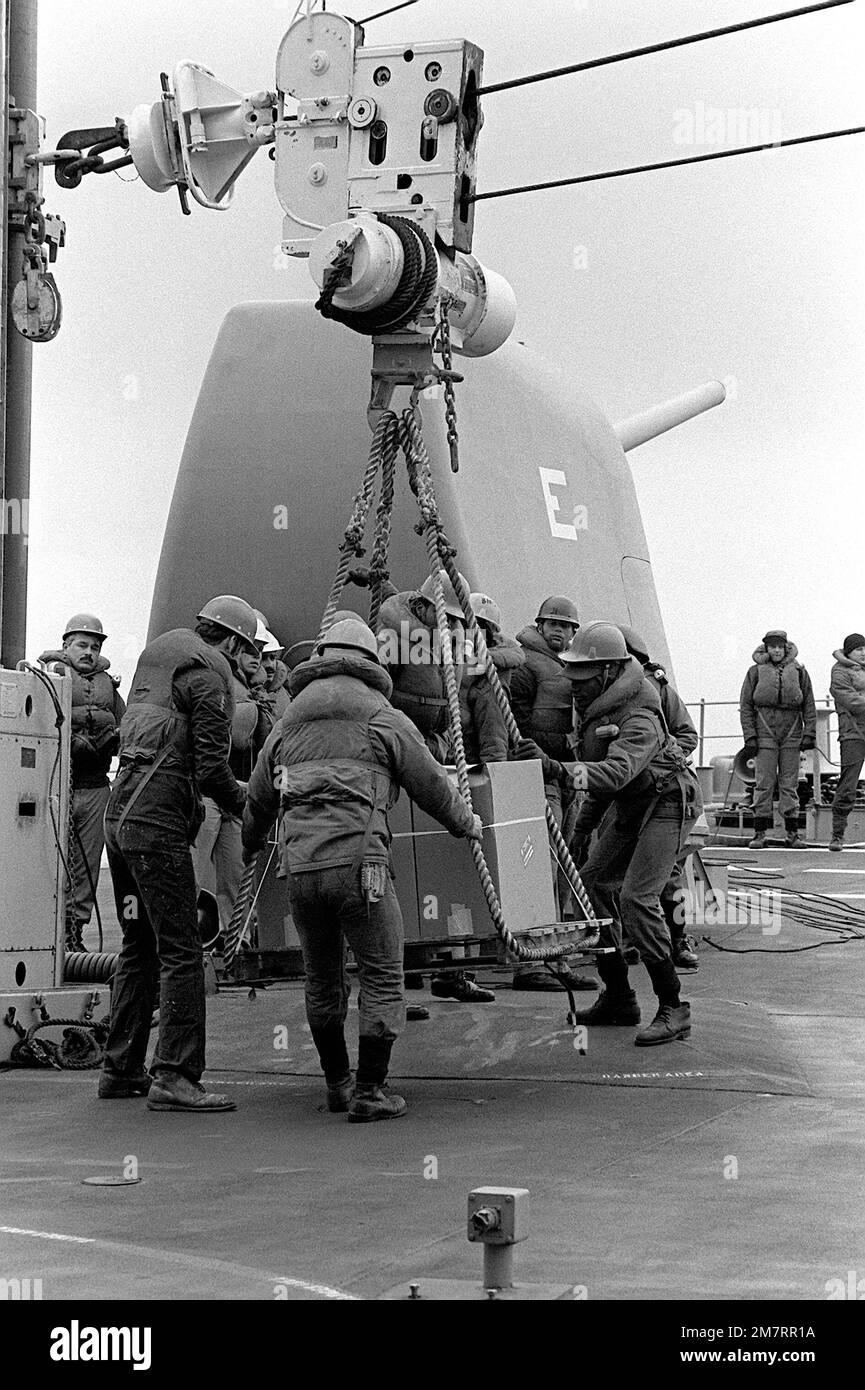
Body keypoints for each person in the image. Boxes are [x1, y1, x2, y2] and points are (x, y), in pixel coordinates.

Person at [241, 617, 483, 1122]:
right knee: (381, 976)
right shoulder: (381, 714)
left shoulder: (287, 723)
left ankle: (337, 1085)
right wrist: (467, 823)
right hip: (361, 870)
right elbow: (431, 783)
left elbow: (259, 800)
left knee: (321, 979)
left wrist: (248, 845)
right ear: (370, 661)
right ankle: (371, 1092)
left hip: (300, 873)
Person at [98, 594, 257, 1112]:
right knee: (182, 949)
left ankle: (120, 1069)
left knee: (139, 944)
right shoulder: (209, 679)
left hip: (118, 818)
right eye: (246, 650)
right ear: (232, 641)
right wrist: (251, 806)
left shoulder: (161, 668)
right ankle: (176, 1075)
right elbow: (213, 771)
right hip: (155, 824)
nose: (245, 661)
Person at [556, 622, 702, 1045]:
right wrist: (581, 833)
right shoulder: (597, 710)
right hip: (633, 803)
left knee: (637, 899)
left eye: (582, 679)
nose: (575, 687)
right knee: (589, 885)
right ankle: (619, 996)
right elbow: (606, 783)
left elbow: (617, 770)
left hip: (668, 802)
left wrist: (559, 771)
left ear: (607, 672)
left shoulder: (639, 713)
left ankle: (674, 1006)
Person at [509, 594, 596, 991]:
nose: (559, 630)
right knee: (539, 867)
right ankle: (531, 964)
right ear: (540, 626)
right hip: (539, 777)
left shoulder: (566, 667)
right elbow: (517, 723)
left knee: (564, 869)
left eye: (566, 626)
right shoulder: (525, 664)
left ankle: (557, 959)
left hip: (565, 777)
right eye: (553, 624)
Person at [39, 614, 125, 952]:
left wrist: (111, 739)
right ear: (65, 645)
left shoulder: (110, 686)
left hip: (95, 786)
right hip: (58, 786)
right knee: (50, 861)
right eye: (81, 644)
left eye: (94, 646)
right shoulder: (49, 677)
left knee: (88, 866)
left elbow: (125, 724)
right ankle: (48, 934)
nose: (88, 651)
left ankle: (74, 933)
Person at [618, 626, 700, 972]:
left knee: (669, 874)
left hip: (663, 790)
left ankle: (678, 938)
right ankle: (626, 941)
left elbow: (687, 735)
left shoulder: (659, 688)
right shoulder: (599, 695)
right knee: (613, 872)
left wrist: (657, 759)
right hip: (624, 791)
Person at [376, 570, 468, 761]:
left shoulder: (452, 646)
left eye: (452, 618)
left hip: (436, 748)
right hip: (400, 748)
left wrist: (444, 743)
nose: (447, 623)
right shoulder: (393, 640)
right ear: (419, 608)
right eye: (442, 615)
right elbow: (374, 693)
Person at [740, 629, 816, 848]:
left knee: (789, 784)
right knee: (763, 783)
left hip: (792, 732)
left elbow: (808, 704)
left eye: (779, 646)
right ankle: (760, 833)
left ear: (785, 648)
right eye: (771, 646)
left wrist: (809, 733)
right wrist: (750, 736)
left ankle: (792, 834)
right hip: (764, 732)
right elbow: (746, 705)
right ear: (766, 648)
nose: (775, 650)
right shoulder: (754, 672)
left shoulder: (800, 671)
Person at [828, 634, 865, 851]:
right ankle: (837, 835)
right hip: (852, 732)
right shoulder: (839, 671)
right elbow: (848, 699)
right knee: (848, 784)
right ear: (848, 651)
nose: (863, 652)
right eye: (858, 649)